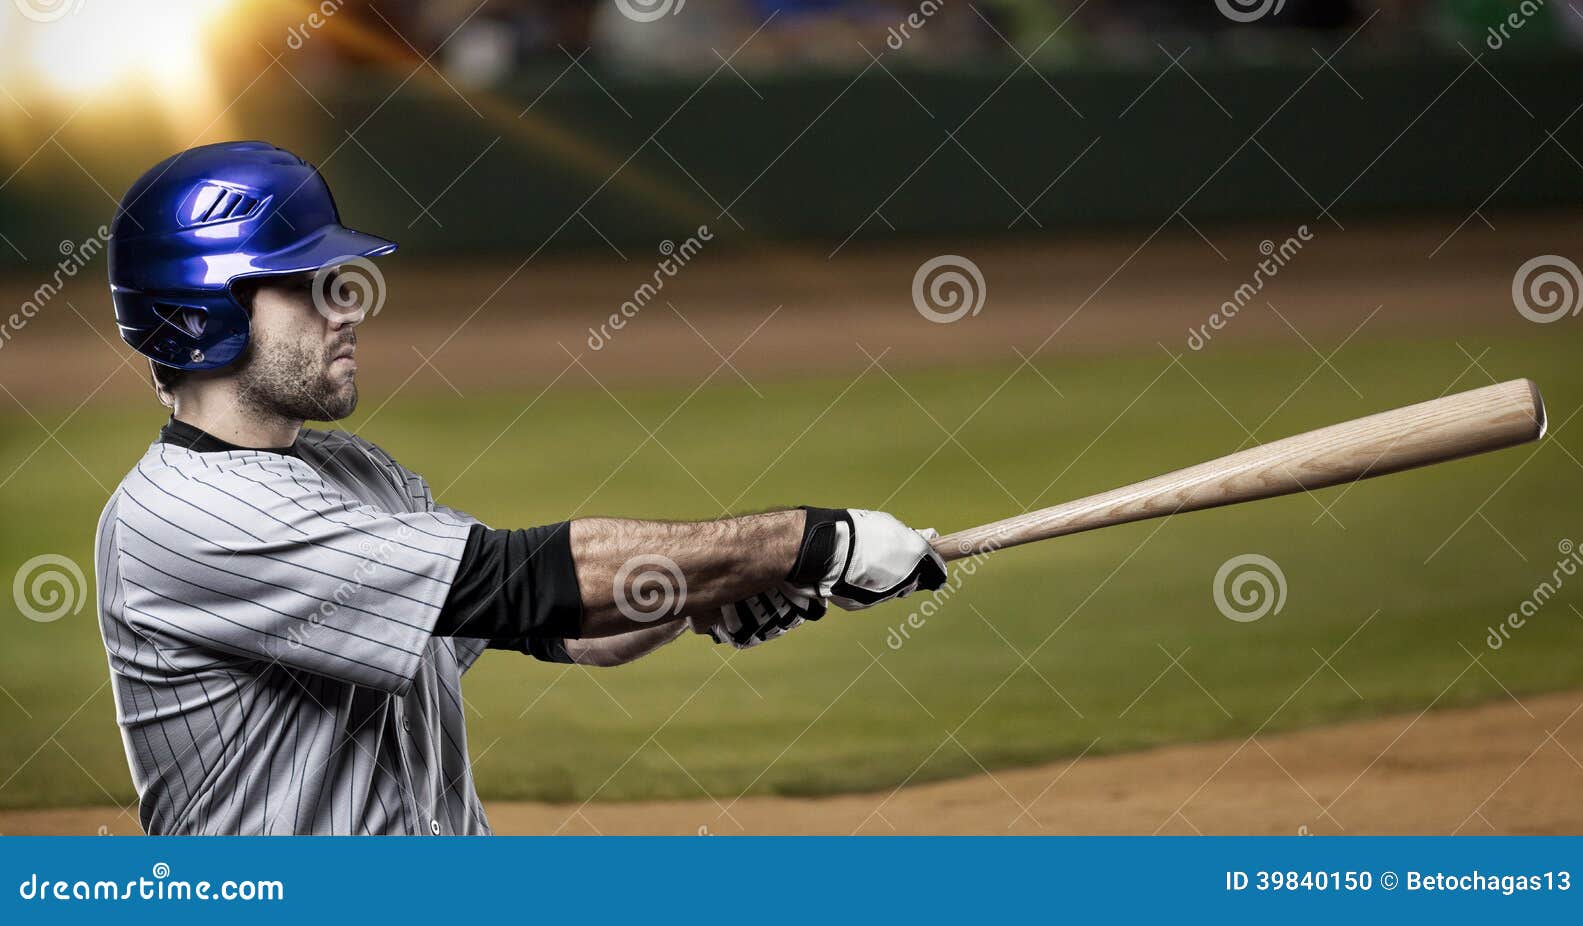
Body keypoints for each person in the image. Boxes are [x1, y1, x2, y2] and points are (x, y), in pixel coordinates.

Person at [94, 141, 947, 835]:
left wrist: (697, 597)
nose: (347, 307)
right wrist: (812, 540)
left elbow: (546, 628)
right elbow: (518, 581)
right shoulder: (183, 516)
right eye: (306, 286)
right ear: (200, 311)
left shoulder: (355, 472)